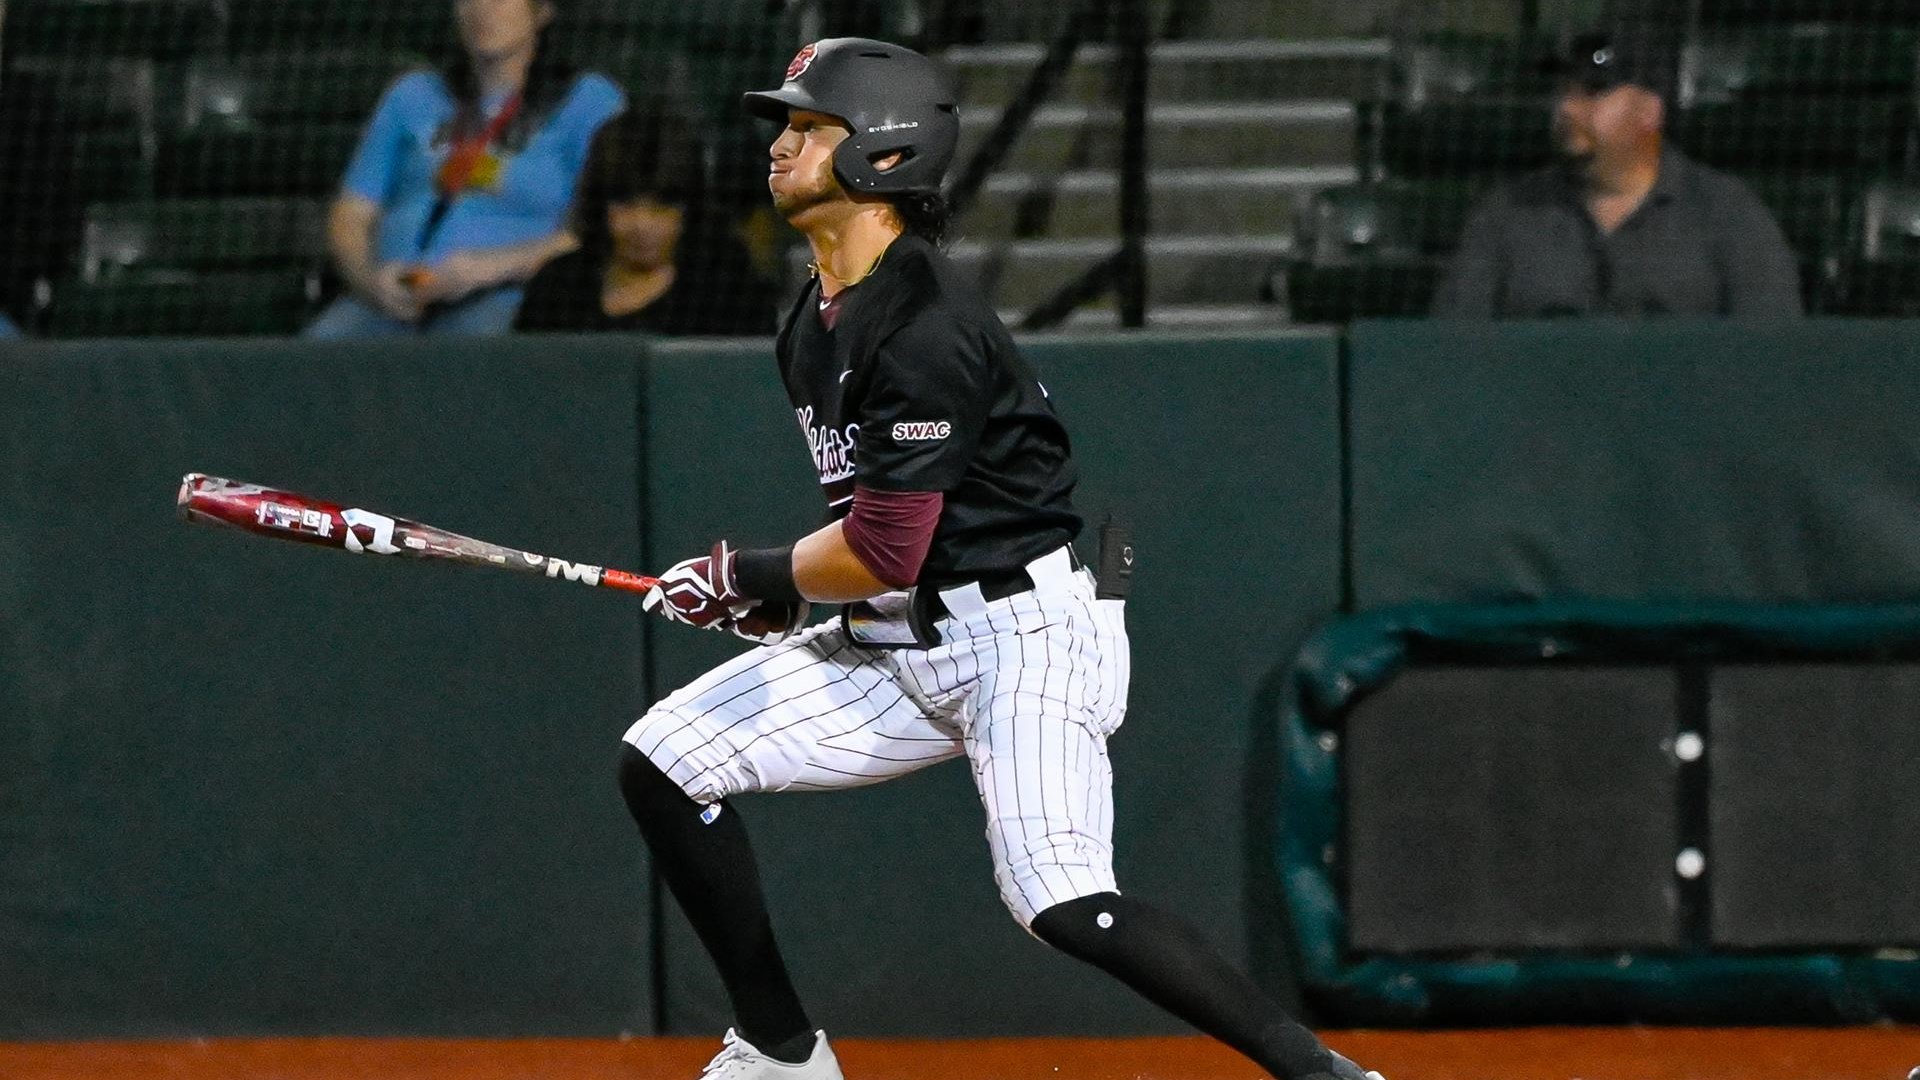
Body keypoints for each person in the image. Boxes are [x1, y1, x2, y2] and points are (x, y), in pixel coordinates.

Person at [617, 38, 1390, 1080]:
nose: (782, 144)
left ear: (884, 158)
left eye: (810, 125)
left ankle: (1323, 1073)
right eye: (785, 124)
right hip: (894, 641)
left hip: (1016, 641)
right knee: (663, 758)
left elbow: (890, 545)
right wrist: (779, 596)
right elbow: (872, 538)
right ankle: (779, 1048)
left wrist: (751, 574)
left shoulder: (925, 323)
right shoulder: (812, 312)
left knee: (1059, 900)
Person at [306, 0, 624, 338]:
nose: (482, 9)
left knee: (465, 360)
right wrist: (370, 282)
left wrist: (485, 270)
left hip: (503, 297)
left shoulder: (587, 100)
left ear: (542, 12)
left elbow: (596, 230)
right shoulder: (413, 94)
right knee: (310, 360)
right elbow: (351, 214)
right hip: (390, 297)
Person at [1432, 28, 1802, 318]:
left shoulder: (1726, 213)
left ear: (1649, 111)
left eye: (1592, 93)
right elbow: (1454, 352)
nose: (1568, 108)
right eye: (1564, 91)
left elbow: (1769, 357)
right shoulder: (1508, 213)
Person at [515, 106, 779, 335]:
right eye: (625, 203)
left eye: (662, 206)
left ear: (691, 208)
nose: (642, 225)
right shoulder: (557, 289)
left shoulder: (728, 292)